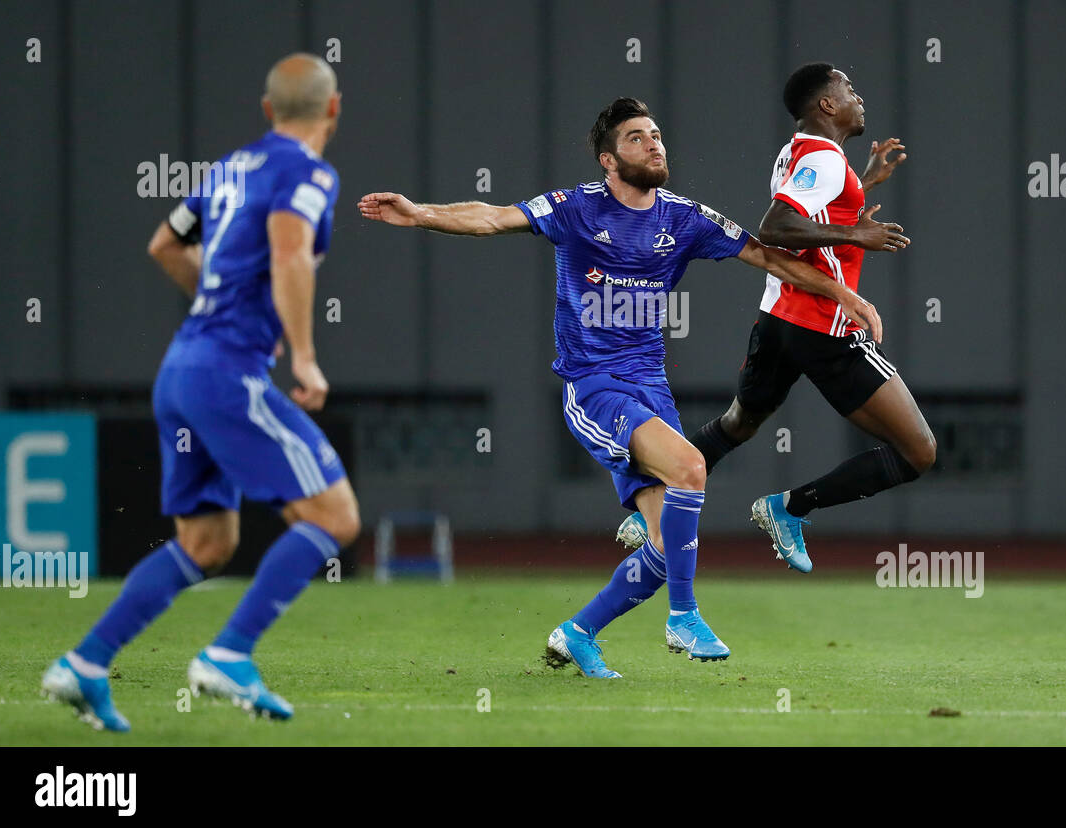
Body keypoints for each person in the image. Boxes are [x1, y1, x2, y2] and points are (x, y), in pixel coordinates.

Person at [358, 97, 883, 677]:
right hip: (594, 386)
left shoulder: (684, 218)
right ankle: (683, 616)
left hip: (651, 388)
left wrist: (845, 294)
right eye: (636, 138)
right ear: (608, 160)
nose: (654, 144)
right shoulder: (575, 208)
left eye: (656, 134)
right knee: (690, 469)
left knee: (664, 544)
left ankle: (576, 633)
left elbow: (768, 256)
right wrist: (419, 212)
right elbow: (491, 216)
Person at [42, 53, 360, 731]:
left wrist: (220, 306)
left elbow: (163, 244)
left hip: (180, 371)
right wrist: (303, 356)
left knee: (208, 544)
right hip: (225, 375)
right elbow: (290, 252)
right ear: (333, 109)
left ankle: (86, 664)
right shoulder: (308, 172)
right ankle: (230, 653)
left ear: (267, 110)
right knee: (335, 518)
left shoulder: (225, 171)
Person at [617, 63, 934, 572]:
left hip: (777, 319)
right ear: (826, 104)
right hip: (822, 325)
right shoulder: (826, 159)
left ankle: (647, 500)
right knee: (919, 452)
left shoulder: (798, 151)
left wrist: (864, 186)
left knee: (739, 423)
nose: (858, 96)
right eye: (848, 88)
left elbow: (811, 214)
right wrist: (857, 236)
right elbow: (777, 225)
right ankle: (788, 508)